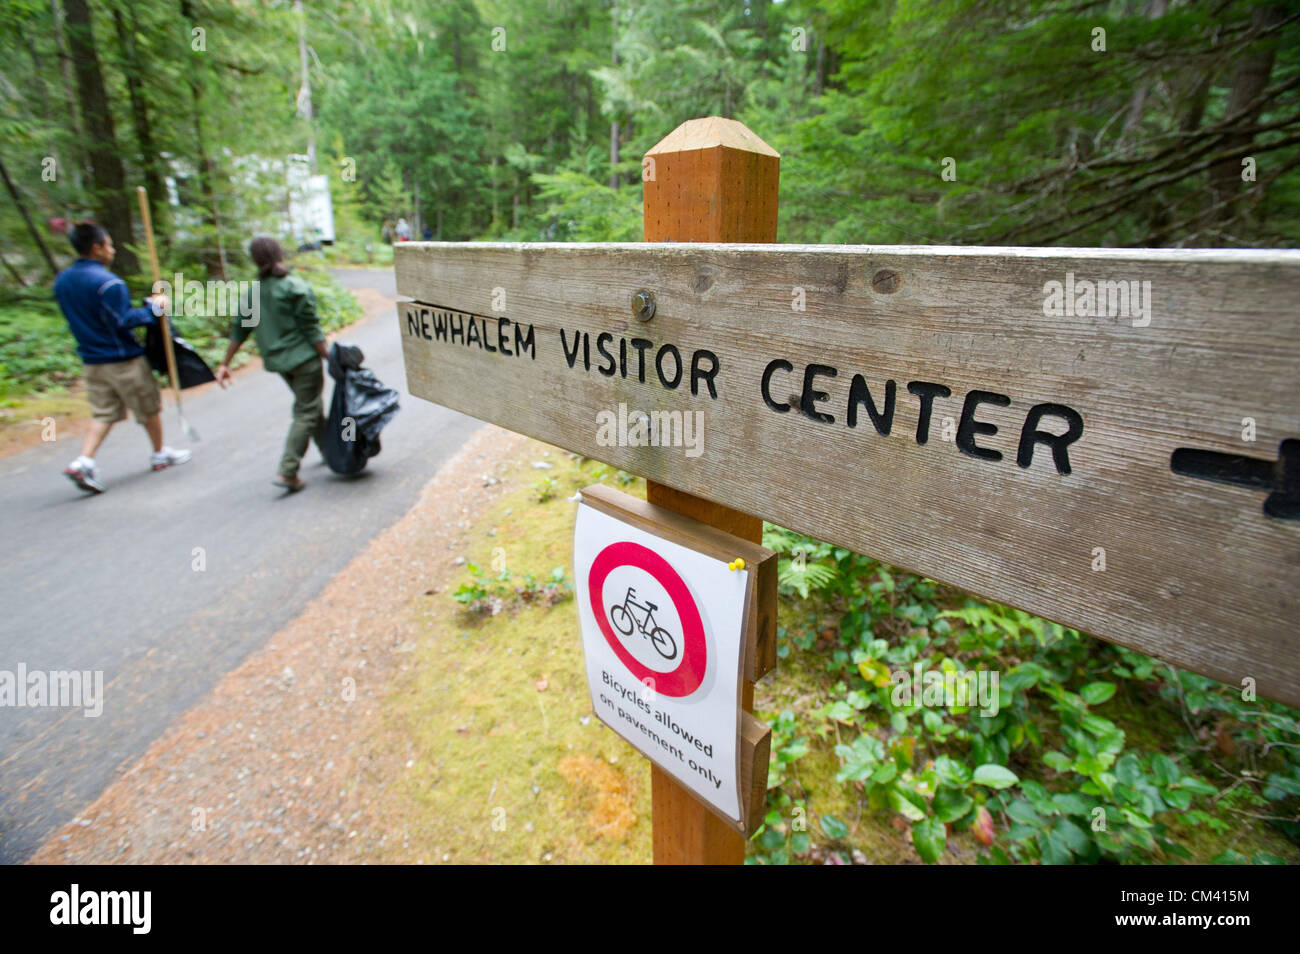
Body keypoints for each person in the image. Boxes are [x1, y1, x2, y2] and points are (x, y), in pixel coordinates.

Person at [53, 222, 189, 494]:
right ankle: (159, 452)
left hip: (92, 361)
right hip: (122, 359)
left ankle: (84, 461)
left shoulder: (62, 281)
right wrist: (154, 309)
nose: (112, 250)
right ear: (96, 247)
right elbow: (123, 321)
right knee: (148, 407)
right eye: (109, 244)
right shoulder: (108, 283)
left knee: (103, 413)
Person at [215, 237, 326, 492]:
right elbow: (311, 328)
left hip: (281, 364)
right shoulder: (293, 287)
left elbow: (239, 331)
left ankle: (332, 451)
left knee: (309, 406)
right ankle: (288, 470)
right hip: (305, 361)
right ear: (279, 254)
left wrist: (225, 363)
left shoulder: (254, 294)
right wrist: (331, 357)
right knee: (307, 411)